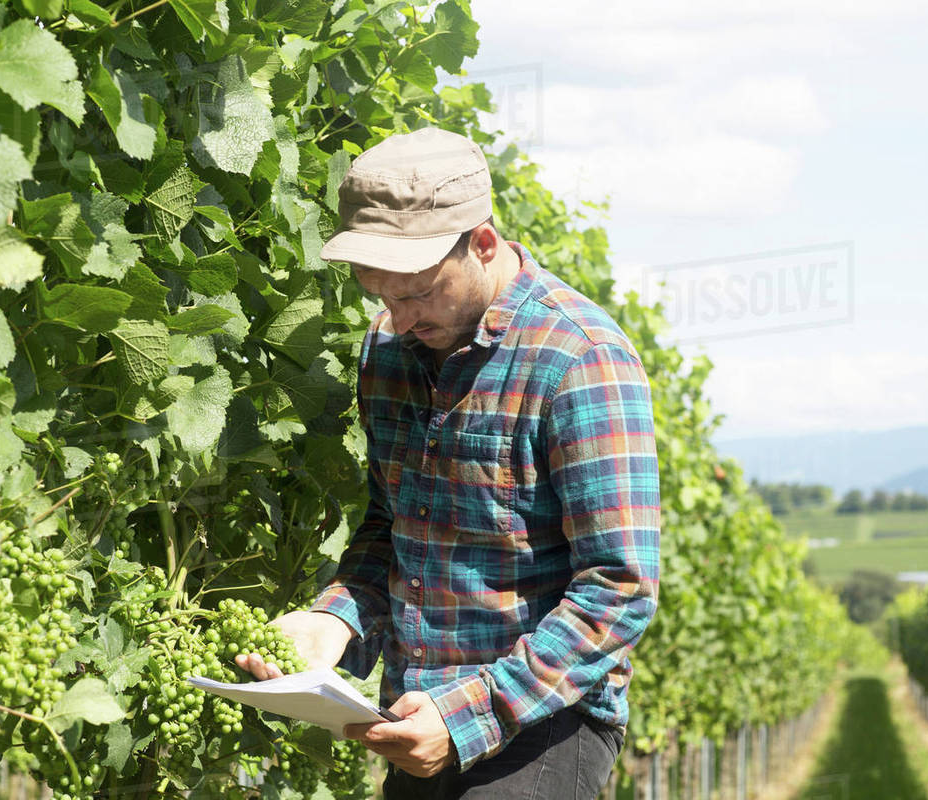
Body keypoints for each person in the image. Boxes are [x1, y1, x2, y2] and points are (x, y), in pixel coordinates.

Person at [236, 128, 660, 799]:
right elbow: (391, 528)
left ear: (483, 245)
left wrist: (473, 716)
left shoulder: (580, 358)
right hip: (411, 723)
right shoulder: (388, 352)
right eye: (383, 296)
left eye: (419, 294)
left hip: (541, 729)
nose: (399, 320)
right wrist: (334, 623)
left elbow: (620, 588)